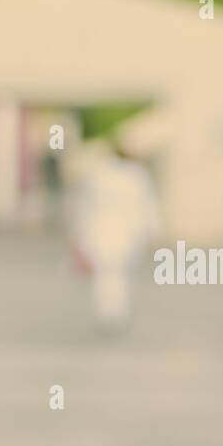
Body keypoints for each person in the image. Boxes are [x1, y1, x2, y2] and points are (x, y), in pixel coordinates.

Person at [69, 138, 162, 332]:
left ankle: (108, 311)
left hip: (101, 229)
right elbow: (146, 206)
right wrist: (153, 229)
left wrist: (80, 233)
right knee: (119, 273)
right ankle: (117, 311)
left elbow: (84, 206)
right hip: (128, 231)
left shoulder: (98, 175)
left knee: (105, 273)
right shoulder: (137, 176)